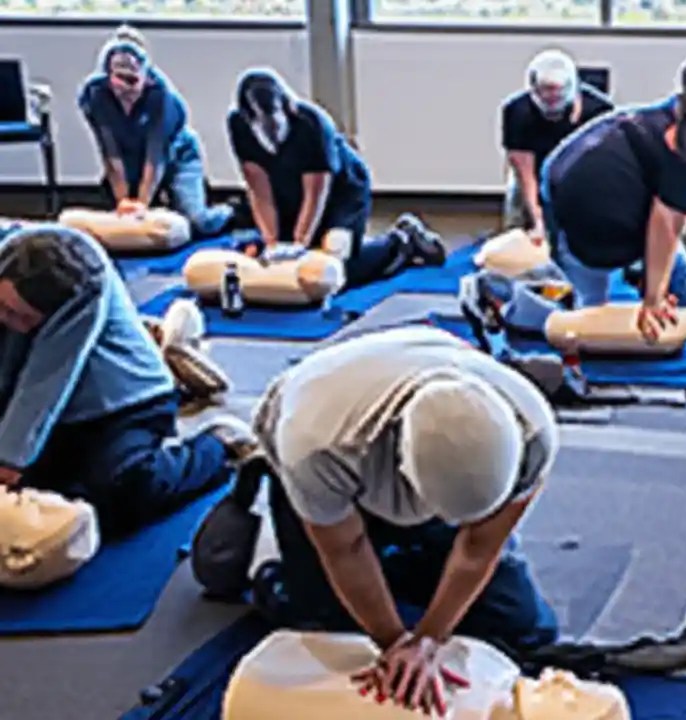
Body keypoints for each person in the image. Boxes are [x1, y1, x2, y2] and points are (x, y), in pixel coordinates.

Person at [249, 324, 560, 715]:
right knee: (327, 625)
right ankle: (278, 577)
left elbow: (478, 548)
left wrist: (429, 639)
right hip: (321, 432)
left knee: (523, 627)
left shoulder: (535, 433)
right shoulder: (317, 445)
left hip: (419, 377)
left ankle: (406, 562)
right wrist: (394, 642)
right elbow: (346, 549)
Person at [0, 224, 254, 537]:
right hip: (27, 389)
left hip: (123, 397)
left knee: (120, 496)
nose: (17, 325)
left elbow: (46, 376)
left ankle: (218, 443)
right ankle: (165, 334)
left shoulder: (83, 277)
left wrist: (9, 460)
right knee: (43, 486)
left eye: (27, 318)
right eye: (7, 310)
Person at [465, 49, 686, 342]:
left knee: (669, 263)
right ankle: (503, 297)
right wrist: (653, 299)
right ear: (674, 125)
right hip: (576, 201)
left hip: (582, 184)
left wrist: (656, 290)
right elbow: (664, 227)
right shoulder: (668, 128)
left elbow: (668, 226)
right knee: (585, 316)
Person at [226, 68, 445, 288]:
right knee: (272, 255)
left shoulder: (312, 123)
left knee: (332, 257)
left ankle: (400, 242)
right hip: (287, 191)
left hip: (342, 191)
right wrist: (273, 243)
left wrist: (300, 244)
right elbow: (258, 188)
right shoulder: (238, 125)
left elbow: (315, 193)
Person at [77, 25, 236, 237]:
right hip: (130, 157)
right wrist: (124, 202)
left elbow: (155, 157)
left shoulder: (162, 97)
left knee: (197, 222)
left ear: (146, 76)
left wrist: (142, 206)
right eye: (119, 79)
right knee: (119, 215)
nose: (125, 89)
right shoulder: (94, 95)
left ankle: (232, 210)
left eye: (132, 81)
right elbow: (109, 150)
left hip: (176, 156)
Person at [500, 48, 614, 236]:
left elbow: (599, 168)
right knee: (520, 224)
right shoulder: (517, 112)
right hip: (535, 169)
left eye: (556, 93)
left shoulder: (599, 112)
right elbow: (525, 173)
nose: (551, 99)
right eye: (546, 92)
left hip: (579, 172)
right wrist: (536, 218)